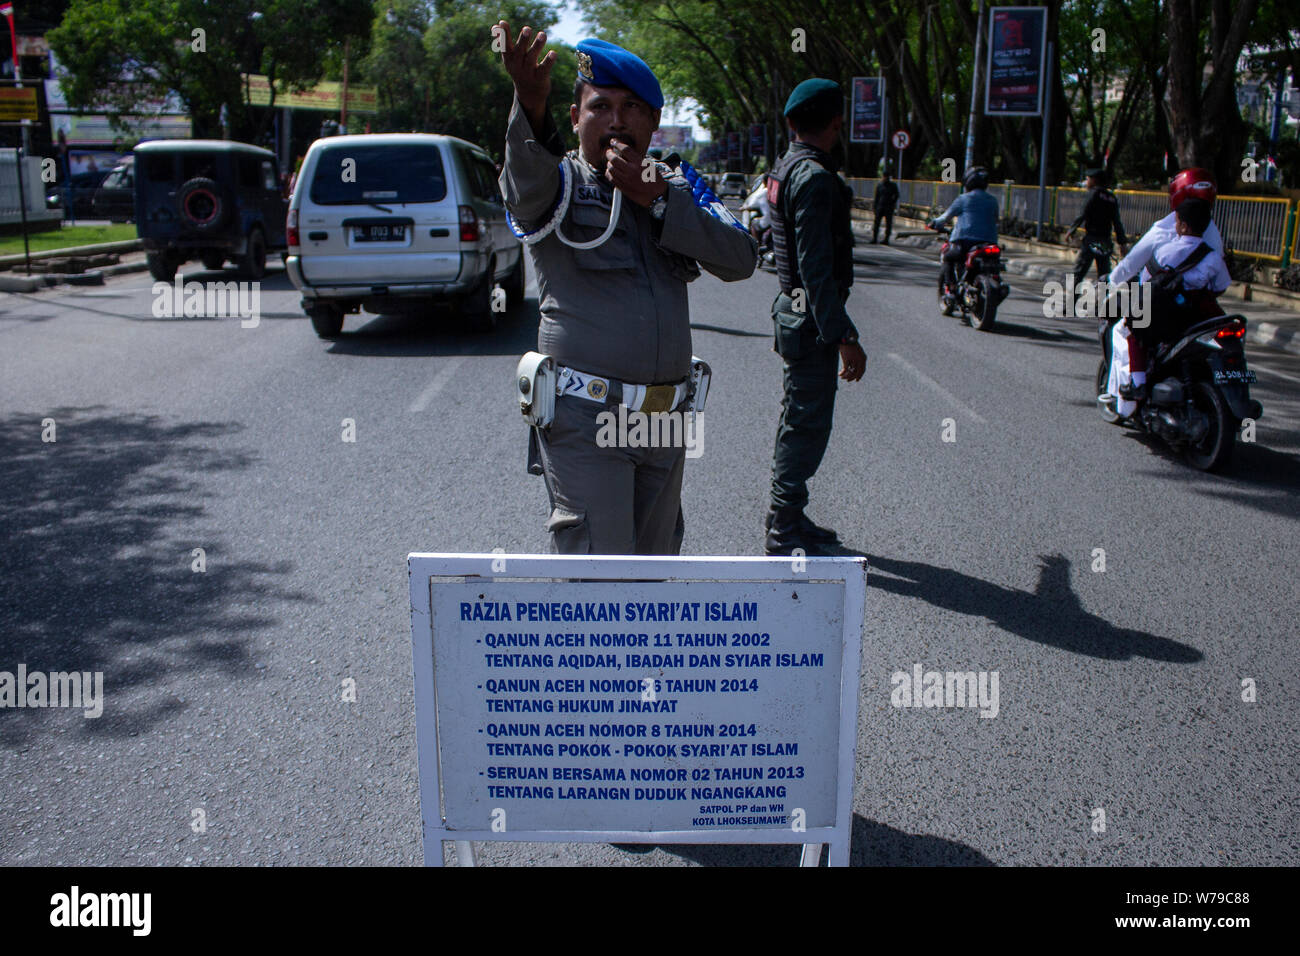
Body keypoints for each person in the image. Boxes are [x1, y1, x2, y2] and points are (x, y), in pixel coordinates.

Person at [497, 25, 756, 555]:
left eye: (633, 107)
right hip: (587, 418)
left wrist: (659, 200)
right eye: (601, 106)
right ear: (575, 119)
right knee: (600, 575)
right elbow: (524, 192)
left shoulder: (677, 186)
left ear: (654, 122)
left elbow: (741, 257)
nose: (617, 120)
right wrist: (529, 102)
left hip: (665, 421)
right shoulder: (559, 183)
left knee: (656, 572)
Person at [763, 78, 867, 556]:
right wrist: (844, 334)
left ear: (791, 123)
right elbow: (816, 269)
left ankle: (791, 513)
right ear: (836, 124)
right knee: (807, 422)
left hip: (795, 314)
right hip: (810, 320)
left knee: (798, 417)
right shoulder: (817, 178)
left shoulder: (786, 168)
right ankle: (783, 527)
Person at [1104, 198, 1230, 411]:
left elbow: (1146, 284)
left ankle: (1139, 384)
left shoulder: (1164, 250)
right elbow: (1221, 286)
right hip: (1199, 318)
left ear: (1182, 226)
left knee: (1134, 331)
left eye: (1177, 221)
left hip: (1165, 320)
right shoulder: (1214, 257)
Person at [930, 166, 999, 302]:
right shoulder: (993, 201)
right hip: (990, 243)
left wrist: (933, 223)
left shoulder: (963, 199)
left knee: (948, 257)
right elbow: (996, 220)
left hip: (965, 242)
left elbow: (945, 218)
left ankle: (951, 289)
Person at [1065, 167, 1128, 283]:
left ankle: (1071, 301)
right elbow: (1117, 222)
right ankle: (1104, 300)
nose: (1086, 182)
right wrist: (1122, 243)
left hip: (1092, 239)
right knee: (1104, 274)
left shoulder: (1093, 194)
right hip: (1105, 241)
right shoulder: (1111, 198)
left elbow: (1083, 213)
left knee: (1079, 273)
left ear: (1094, 180)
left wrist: (1071, 231)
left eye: (1087, 179)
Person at [872, 171, 899, 244]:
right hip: (880, 206)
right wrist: (874, 207)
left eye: (886, 176)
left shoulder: (893, 186)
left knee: (888, 224)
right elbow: (876, 197)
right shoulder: (880, 185)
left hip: (888, 207)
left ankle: (886, 239)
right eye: (884, 176)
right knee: (876, 223)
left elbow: (896, 195)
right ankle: (874, 238)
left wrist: (892, 203)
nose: (885, 178)